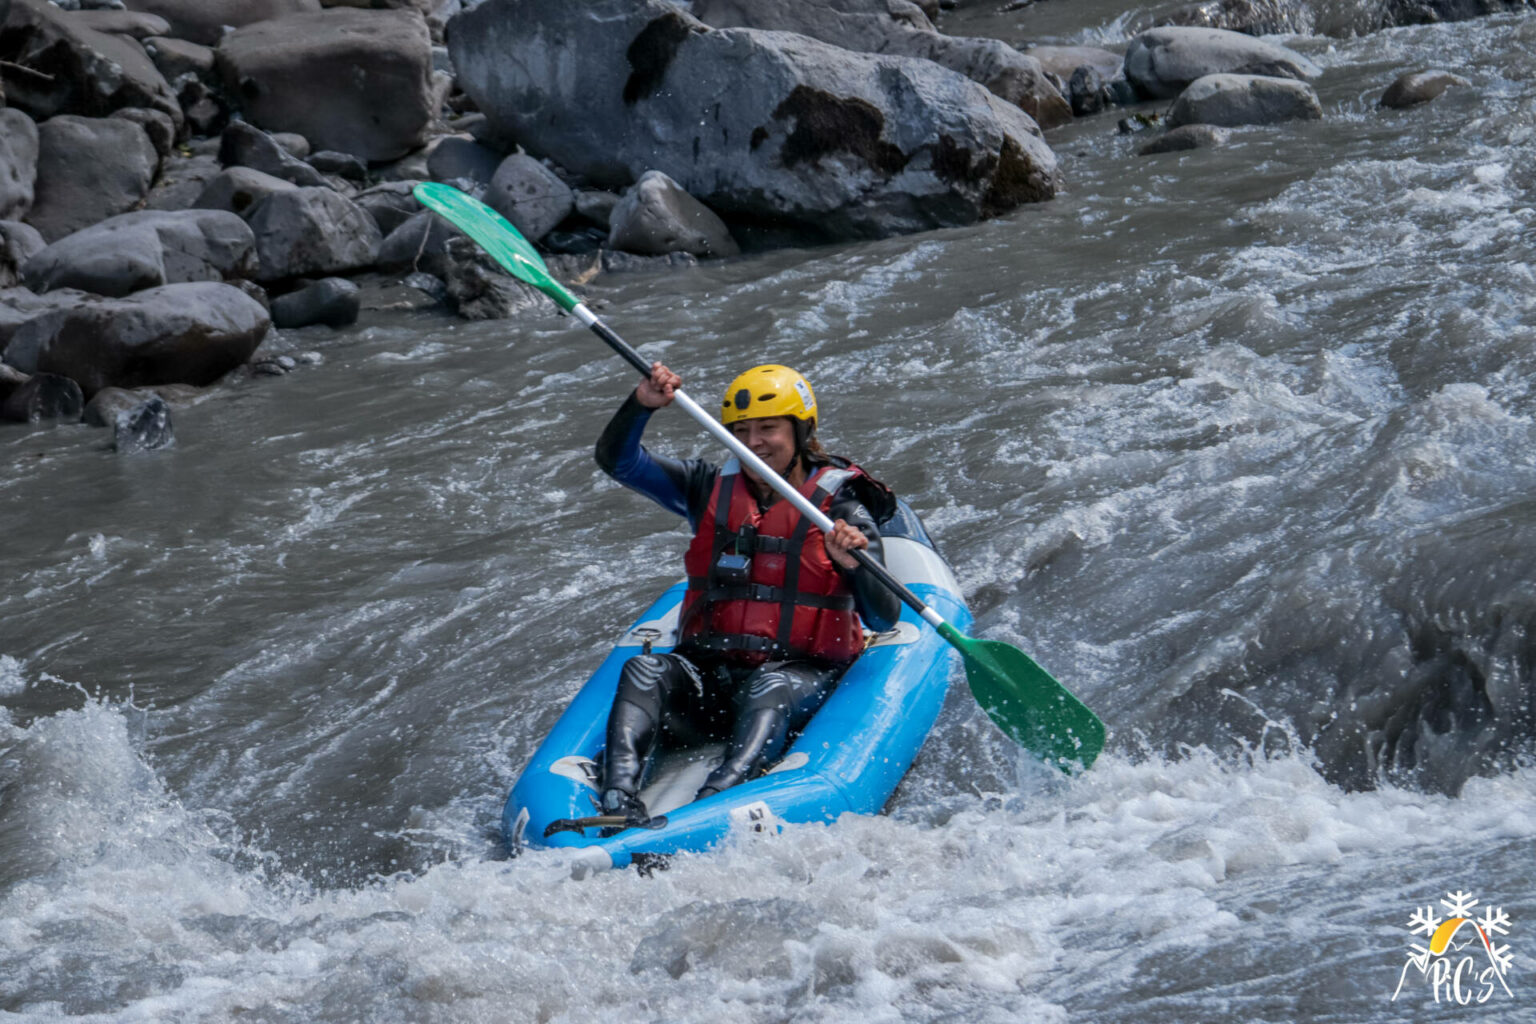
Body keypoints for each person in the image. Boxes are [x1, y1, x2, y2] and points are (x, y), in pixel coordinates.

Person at [593, 362, 901, 821]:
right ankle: (617, 800)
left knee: (770, 686)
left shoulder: (841, 507)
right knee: (645, 669)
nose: (753, 442)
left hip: (796, 676)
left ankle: (714, 802)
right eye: (741, 430)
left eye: (768, 429)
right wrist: (641, 405)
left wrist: (853, 566)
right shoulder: (706, 488)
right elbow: (617, 461)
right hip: (710, 675)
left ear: (801, 430)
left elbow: (884, 617)